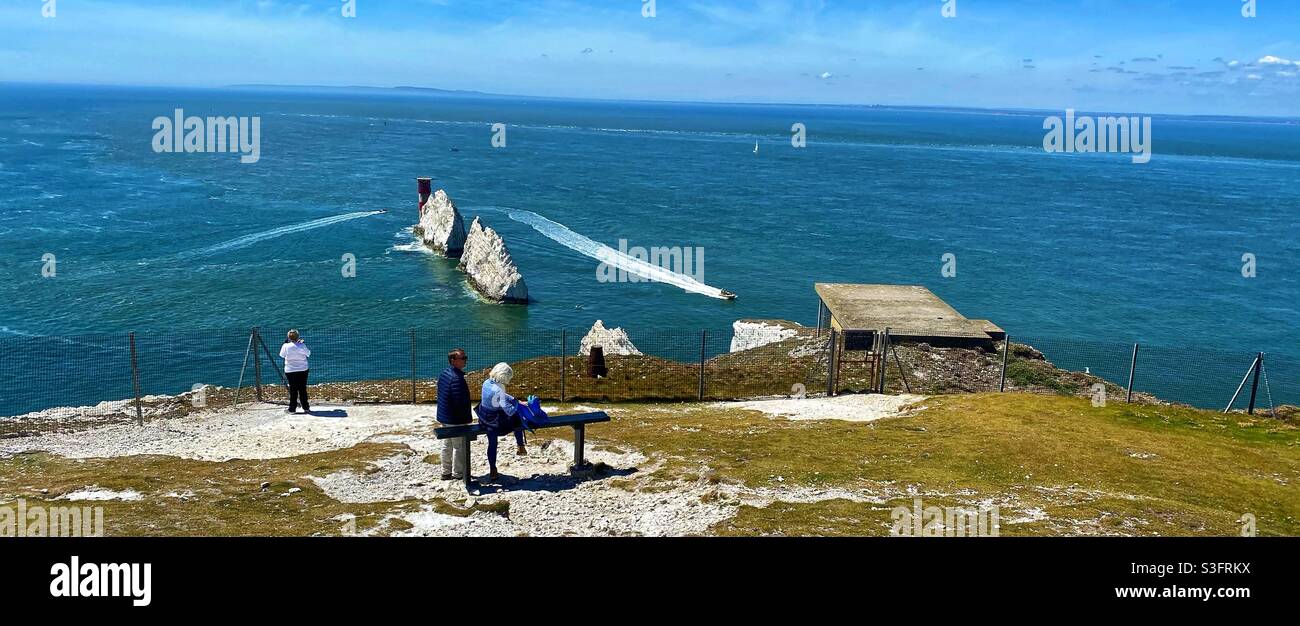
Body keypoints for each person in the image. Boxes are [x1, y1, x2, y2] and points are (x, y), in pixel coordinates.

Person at [475, 362, 527, 482]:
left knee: (492, 443)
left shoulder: (487, 382)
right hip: (495, 421)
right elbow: (509, 411)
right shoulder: (499, 390)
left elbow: (500, 396)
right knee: (517, 417)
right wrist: (516, 404)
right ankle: (520, 445)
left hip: (483, 417)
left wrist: (513, 399)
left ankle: (493, 469)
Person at [436, 348, 472, 481]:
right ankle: (459, 473)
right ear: (453, 360)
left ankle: (445, 472)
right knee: (459, 446)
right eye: (462, 358)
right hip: (455, 419)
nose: (465, 360)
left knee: (447, 444)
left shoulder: (445, 373)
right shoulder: (457, 379)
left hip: (444, 416)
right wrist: (466, 420)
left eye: (465, 357)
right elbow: (459, 403)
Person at [279, 329, 311, 414]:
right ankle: (306, 407)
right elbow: (308, 354)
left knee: (293, 389)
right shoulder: (302, 345)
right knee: (302, 389)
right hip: (303, 369)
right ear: (298, 337)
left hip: (290, 370)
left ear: (288, 337)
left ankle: (292, 409)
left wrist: (286, 342)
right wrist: (301, 344)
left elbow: (282, 355)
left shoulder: (285, 346)